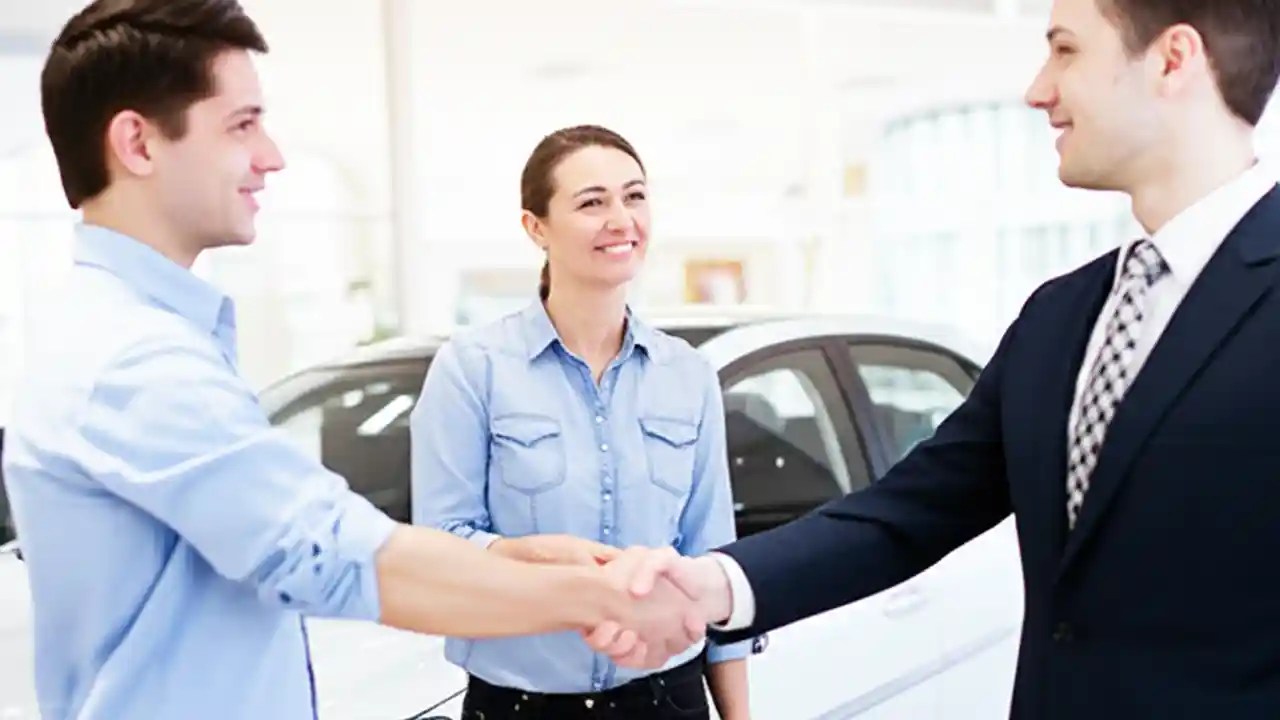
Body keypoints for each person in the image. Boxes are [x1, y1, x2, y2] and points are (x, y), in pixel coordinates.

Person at [0, 3, 703, 719]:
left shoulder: (125, 334)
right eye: (242, 124)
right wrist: (603, 598)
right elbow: (332, 556)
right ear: (138, 144)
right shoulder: (133, 358)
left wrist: (514, 563)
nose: (271, 155)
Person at [591, 0, 1280, 717]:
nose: (1038, 90)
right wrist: (713, 588)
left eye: (1066, 50)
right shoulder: (1061, 314)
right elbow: (907, 512)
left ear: (1173, 59)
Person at [410, 124, 754, 720]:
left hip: (668, 700)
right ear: (535, 227)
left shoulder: (687, 374)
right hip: (522, 707)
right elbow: (440, 549)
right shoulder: (474, 368)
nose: (621, 218)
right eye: (592, 202)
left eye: (635, 196)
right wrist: (534, 556)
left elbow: (710, 560)